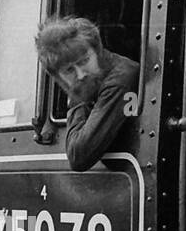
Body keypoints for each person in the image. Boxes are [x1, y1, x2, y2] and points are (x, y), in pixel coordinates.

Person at [34, 16, 140, 171]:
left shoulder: (119, 81)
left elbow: (78, 156)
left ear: (98, 51)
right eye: (69, 70)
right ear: (58, 77)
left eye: (84, 61)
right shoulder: (96, 82)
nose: (81, 75)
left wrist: (78, 98)